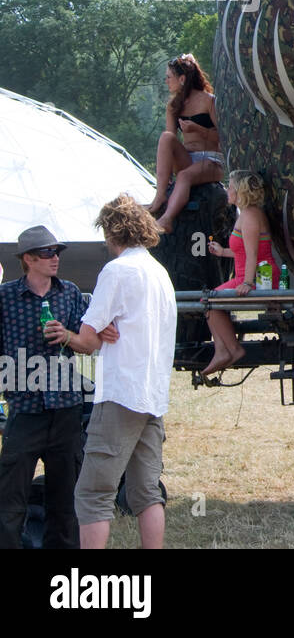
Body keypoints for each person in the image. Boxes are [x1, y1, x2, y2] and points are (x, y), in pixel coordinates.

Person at [43, 195, 175, 550]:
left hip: (120, 393)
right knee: (146, 492)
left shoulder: (116, 271)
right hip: (152, 395)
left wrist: (67, 333)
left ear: (112, 230)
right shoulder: (159, 273)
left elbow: (86, 342)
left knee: (92, 493)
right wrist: (101, 332)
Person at [0, 225, 116, 549]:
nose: (55, 258)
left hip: (65, 407)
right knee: (10, 500)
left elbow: (88, 344)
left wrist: (69, 334)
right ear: (28, 259)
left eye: (57, 252)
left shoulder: (70, 293)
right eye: (47, 252)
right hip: (24, 408)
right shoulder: (6, 297)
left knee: (65, 502)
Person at [203, 171, 278, 377]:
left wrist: (247, 282)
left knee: (209, 301)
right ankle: (222, 350)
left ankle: (232, 349)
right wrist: (221, 251)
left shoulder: (251, 215)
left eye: (230, 187)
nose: (227, 190)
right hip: (247, 275)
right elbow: (243, 251)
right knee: (209, 301)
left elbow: (253, 253)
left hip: (258, 278)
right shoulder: (245, 214)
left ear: (240, 190)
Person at [149, 54, 224, 234]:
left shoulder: (209, 100)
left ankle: (167, 219)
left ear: (182, 79)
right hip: (187, 159)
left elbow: (224, 139)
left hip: (211, 160)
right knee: (166, 137)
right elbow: (170, 140)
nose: (166, 81)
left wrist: (198, 129)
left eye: (168, 77)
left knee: (184, 176)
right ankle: (160, 196)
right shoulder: (174, 105)